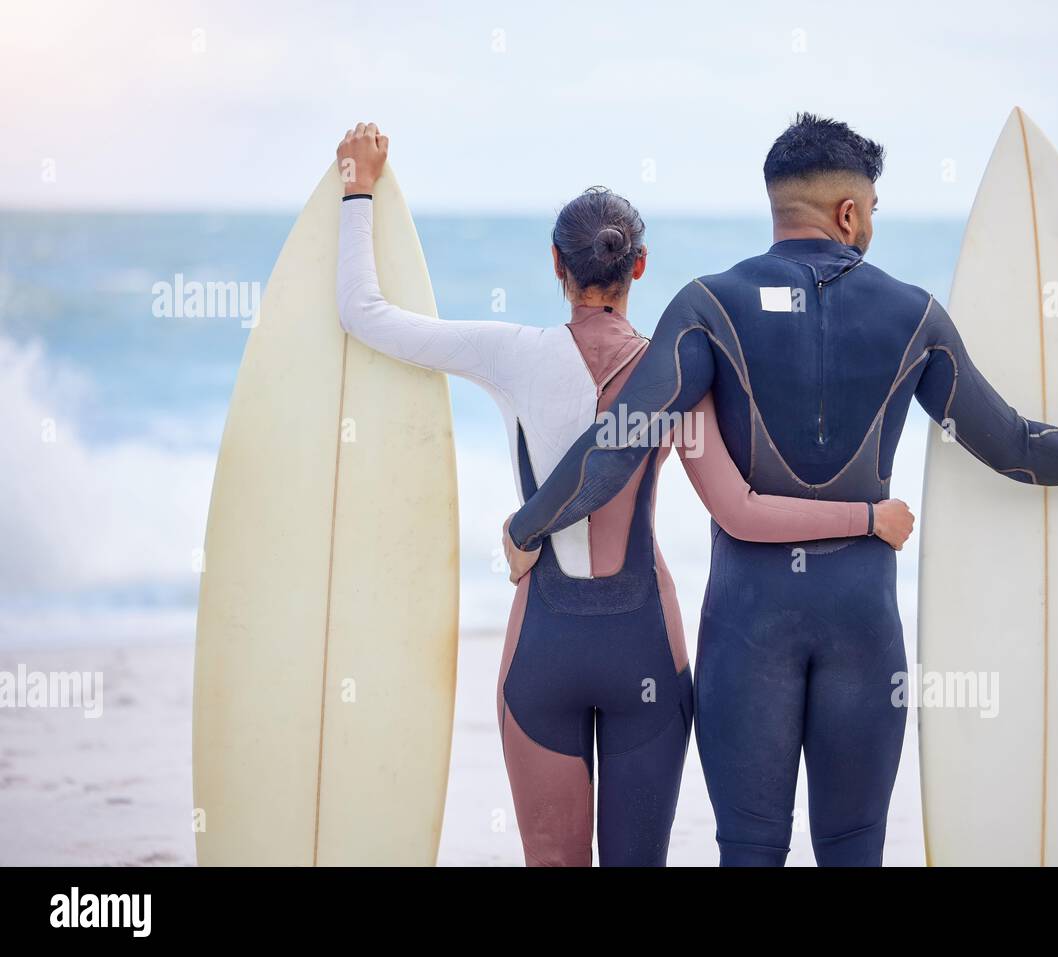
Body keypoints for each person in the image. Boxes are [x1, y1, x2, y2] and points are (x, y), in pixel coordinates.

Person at [505, 113, 1058, 867]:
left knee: (751, 849)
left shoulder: (705, 307)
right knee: (854, 851)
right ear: (850, 212)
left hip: (746, 626)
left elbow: (617, 447)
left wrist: (527, 526)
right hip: (862, 623)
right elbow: (1014, 448)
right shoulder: (913, 314)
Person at [332, 122, 912, 866]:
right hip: (647, 645)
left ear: (555, 265)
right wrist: (868, 516)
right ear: (640, 265)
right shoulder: (678, 375)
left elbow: (365, 314)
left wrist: (358, 188)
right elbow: (739, 510)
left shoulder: (509, 355)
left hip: (543, 647)